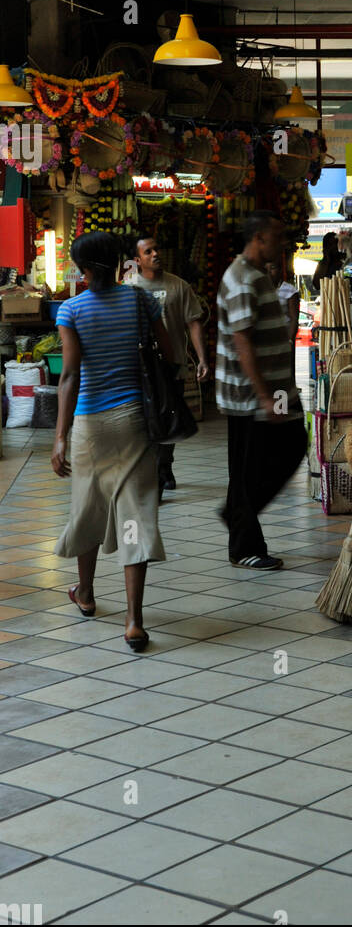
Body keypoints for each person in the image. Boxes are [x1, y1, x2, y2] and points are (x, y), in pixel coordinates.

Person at [52, 231, 174, 651]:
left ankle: (85, 594)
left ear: (83, 269)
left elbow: (69, 377)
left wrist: (60, 438)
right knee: (134, 514)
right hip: (135, 421)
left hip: (90, 425)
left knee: (88, 506)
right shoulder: (141, 302)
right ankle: (134, 621)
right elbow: (170, 353)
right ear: (123, 262)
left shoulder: (71, 310)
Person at [216, 211, 307, 570]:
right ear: (258, 239)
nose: (282, 243)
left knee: (288, 448)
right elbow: (242, 342)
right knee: (253, 466)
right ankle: (244, 543)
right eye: (276, 236)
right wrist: (264, 396)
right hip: (248, 397)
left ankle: (238, 516)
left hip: (273, 391)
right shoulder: (241, 279)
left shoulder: (257, 275)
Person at [125, 237, 209, 498]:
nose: (155, 254)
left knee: (169, 418)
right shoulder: (128, 287)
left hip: (173, 366)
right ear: (137, 260)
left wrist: (202, 358)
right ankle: (155, 474)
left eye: (156, 249)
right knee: (146, 422)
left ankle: (164, 467)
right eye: (148, 251)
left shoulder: (178, 285)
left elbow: (193, 323)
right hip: (140, 370)